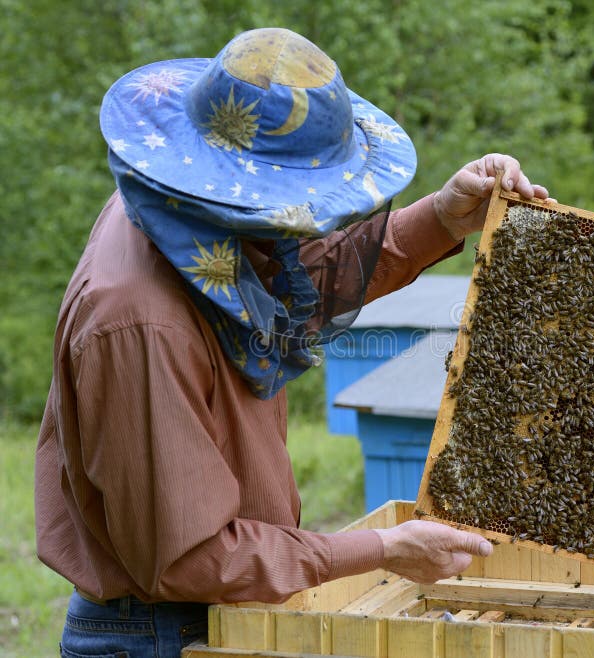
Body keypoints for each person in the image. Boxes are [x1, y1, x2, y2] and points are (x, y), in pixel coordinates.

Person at [35, 27, 551, 657]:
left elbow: (292, 278)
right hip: (161, 633)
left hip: (214, 614)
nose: (301, 219)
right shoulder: (140, 323)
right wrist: (385, 549)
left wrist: (441, 217)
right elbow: (188, 558)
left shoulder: (187, 212)